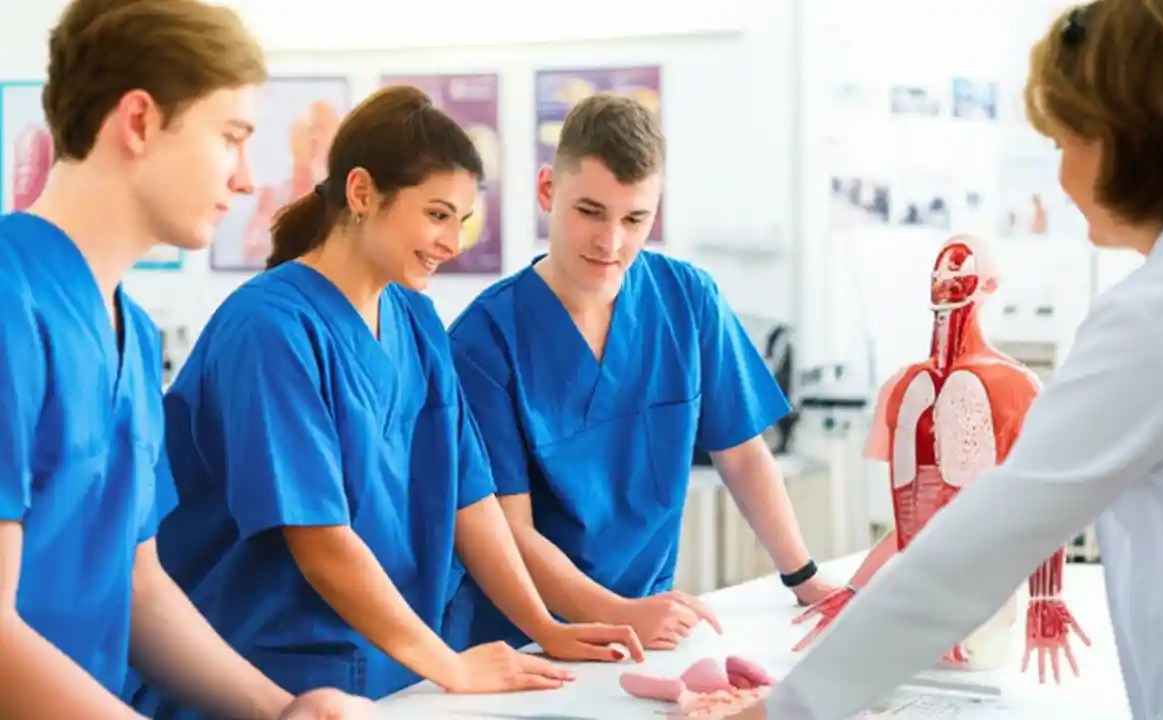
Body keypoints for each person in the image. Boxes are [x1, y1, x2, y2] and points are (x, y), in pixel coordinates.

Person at [711, 1, 1163, 718]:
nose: (1063, 178)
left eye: (1065, 140)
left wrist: (784, 710)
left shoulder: (1162, 317)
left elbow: (981, 547)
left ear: (1121, 139)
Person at [128, 84, 643, 719]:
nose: (452, 243)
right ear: (363, 193)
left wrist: (547, 625)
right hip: (262, 682)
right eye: (435, 215)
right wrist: (451, 665)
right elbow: (319, 540)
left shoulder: (417, 322)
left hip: (394, 677)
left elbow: (470, 502)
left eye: (462, 220)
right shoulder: (270, 330)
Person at [0, 1, 372, 718]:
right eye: (231, 138)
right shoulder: (12, 301)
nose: (243, 179)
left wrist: (283, 710)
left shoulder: (132, 337)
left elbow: (137, 586)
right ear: (138, 121)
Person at [445, 92, 838, 654]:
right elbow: (510, 532)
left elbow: (743, 454)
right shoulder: (484, 342)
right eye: (590, 212)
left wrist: (803, 578)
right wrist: (617, 613)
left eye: (635, 219)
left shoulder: (687, 300)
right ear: (547, 190)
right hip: (522, 639)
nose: (612, 243)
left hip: (646, 629)